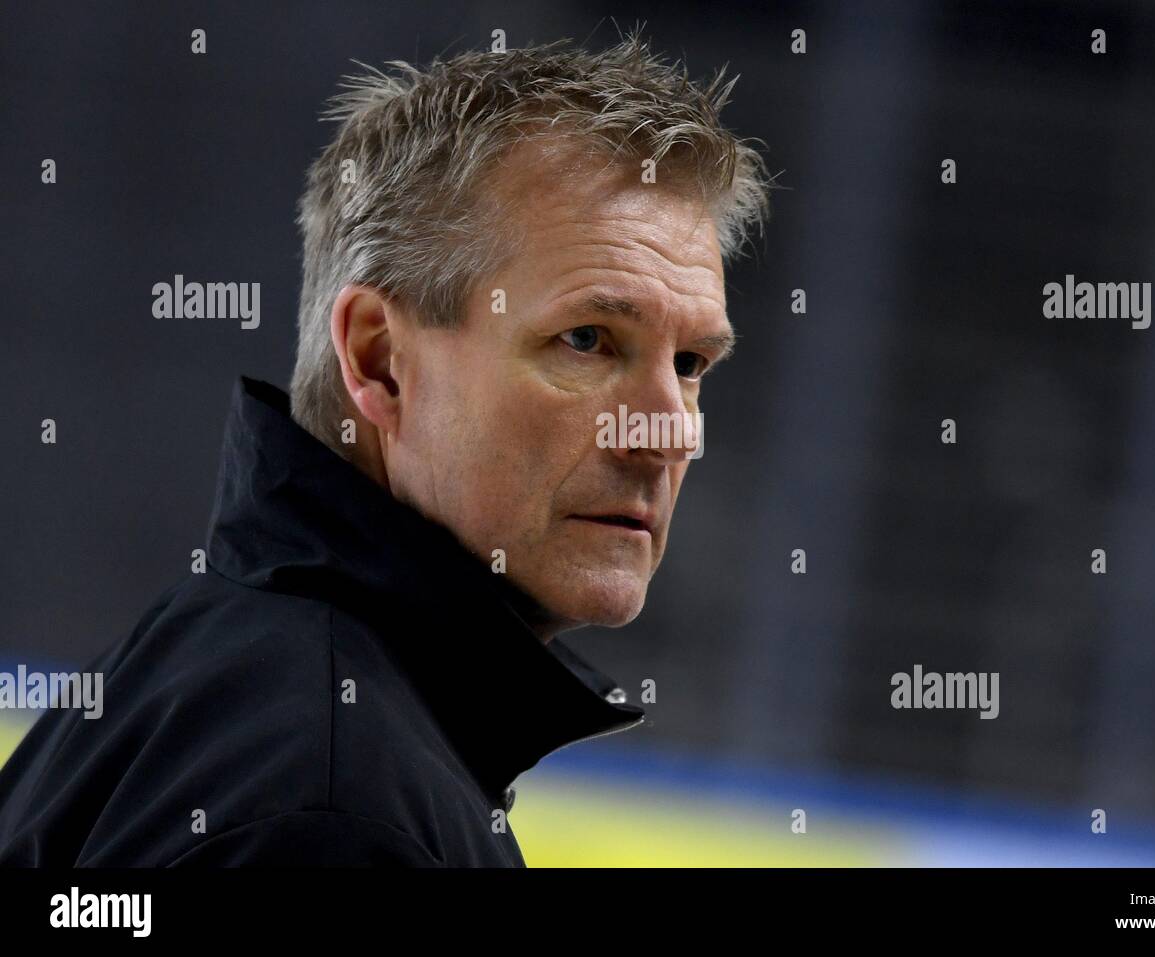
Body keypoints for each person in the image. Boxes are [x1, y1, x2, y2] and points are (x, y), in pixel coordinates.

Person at [0, 29, 770, 866]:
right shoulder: (342, 809)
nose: (665, 432)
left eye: (691, 363)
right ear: (379, 360)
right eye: (587, 339)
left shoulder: (205, 671)